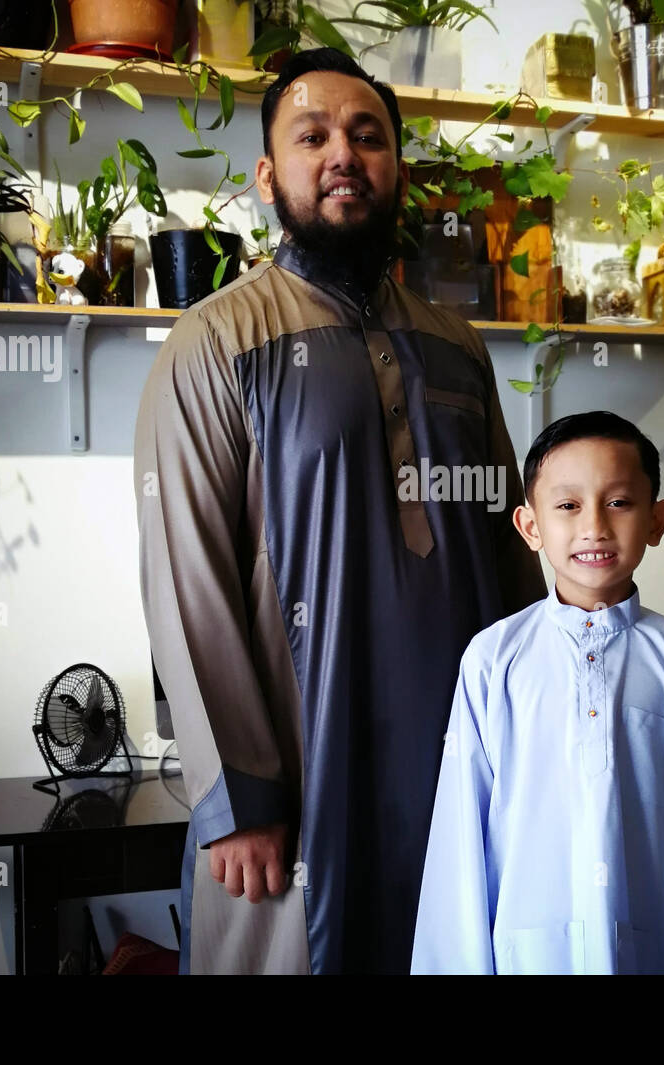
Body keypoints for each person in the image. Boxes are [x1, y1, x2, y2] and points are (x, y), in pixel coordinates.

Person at [133, 47, 545, 974]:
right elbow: (184, 578)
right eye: (312, 136)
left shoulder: (457, 345)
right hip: (303, 775)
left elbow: (510, 549)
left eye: (368, 136)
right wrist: (241, 798)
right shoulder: (216, 340)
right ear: (268, 175)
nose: (343, 155)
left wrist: (539, 724)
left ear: (397, 167)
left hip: (459, 766)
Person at [410, 411, 664, 974]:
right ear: (530, 526)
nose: (594, 526)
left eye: (618, 502)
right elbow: (460, 839)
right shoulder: (494, 660)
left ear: (658, 521)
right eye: (567, 505)